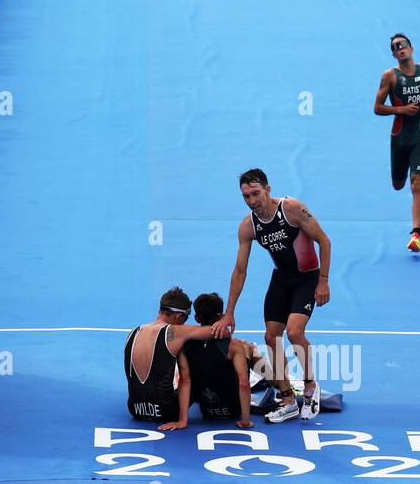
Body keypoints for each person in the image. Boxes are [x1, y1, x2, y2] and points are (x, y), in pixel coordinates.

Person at [212, 169, 331, 423]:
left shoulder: (292, 209)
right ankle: (288, 399)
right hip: (281, 280)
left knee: (295, 332)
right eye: (246, 196)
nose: (252, 201)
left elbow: (324, 241)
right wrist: (229, 312)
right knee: (270, 336)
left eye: (256, 193)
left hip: (307, 278)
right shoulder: (248, 226)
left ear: (268, 189)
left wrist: (323, 280)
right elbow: (240, 269)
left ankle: (310, 386)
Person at [374, 33, 420, 254]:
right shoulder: (390, 77)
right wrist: (401, 110)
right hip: (399, 139)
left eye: (403, 44)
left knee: (417, 184)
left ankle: (416, 234)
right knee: (398, 185)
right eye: (395, 47)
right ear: (394, 54)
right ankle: (401, 176)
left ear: (411, 48)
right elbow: (377, 107)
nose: (400, 48)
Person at [124, 287, 215, 429]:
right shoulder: (175, 331)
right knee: (194, 372)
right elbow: (219, 332)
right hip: (166, 411)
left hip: (135, 409)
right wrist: (182, 421)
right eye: (185, 319)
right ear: (178, 316)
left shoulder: (133, 332)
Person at [184, 292, 260, 428]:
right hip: (233, 410)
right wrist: (246, 421)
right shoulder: (234, 345)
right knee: (248, 347)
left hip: (205, 410)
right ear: (221, 317)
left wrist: (182, 419)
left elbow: (184, 379)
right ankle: (283, 390)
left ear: (196, 318)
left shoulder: (186, 342)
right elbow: (243, 383)